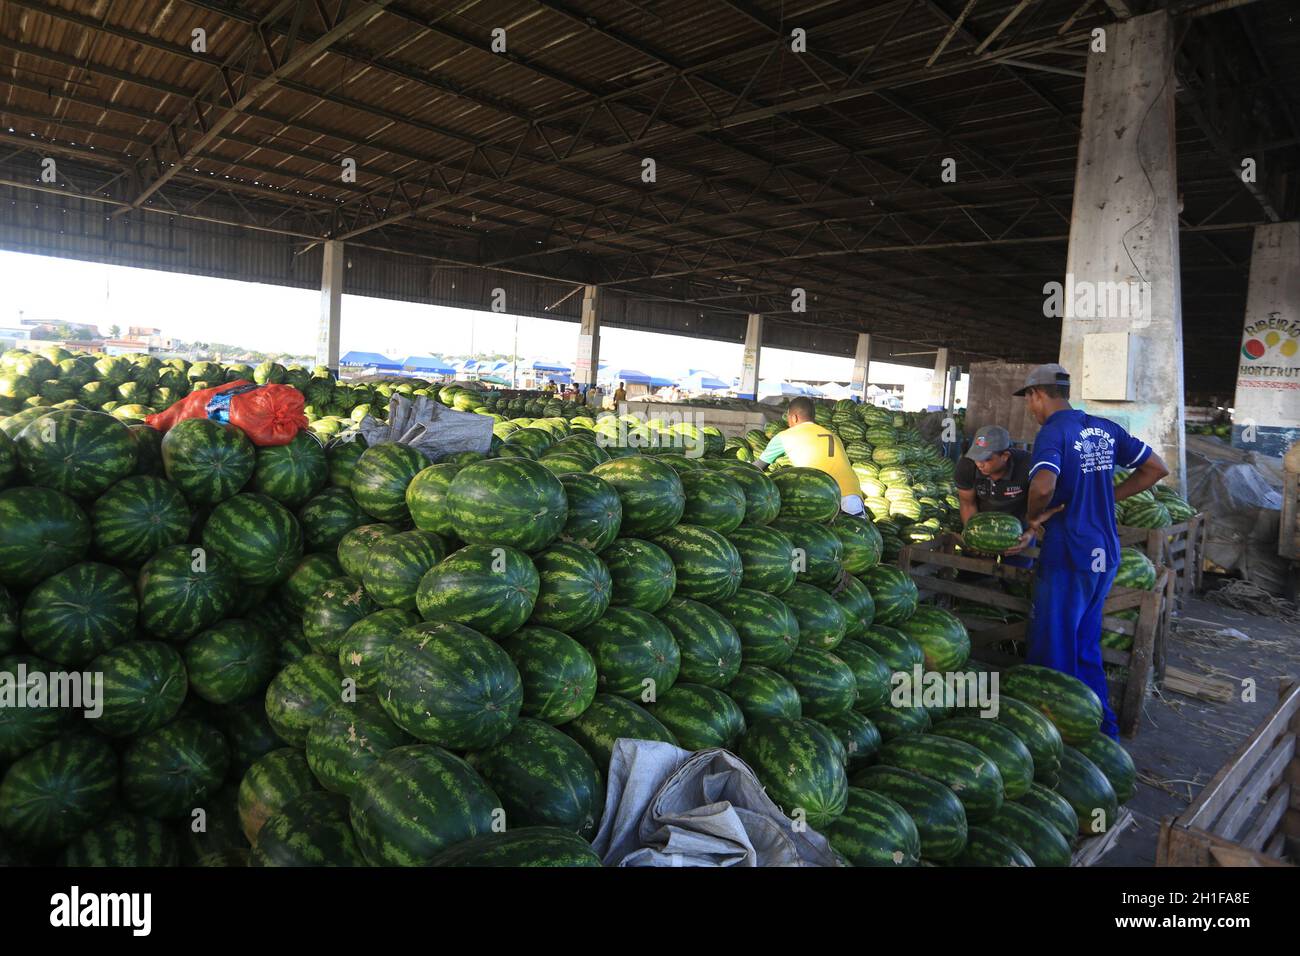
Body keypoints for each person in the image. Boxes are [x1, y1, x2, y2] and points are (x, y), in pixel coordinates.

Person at [1014, 364, 1169, 739]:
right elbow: (1156, 468)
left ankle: (1052, 737)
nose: (1031, 410)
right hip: (1105, 550)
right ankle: (1104, 732)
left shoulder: (1053, 432)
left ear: (1037, 394)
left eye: (1029, 401)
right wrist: (1103, 497)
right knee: (1084, 645)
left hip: (1071, 549)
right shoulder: (1105, 428)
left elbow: (1043, 486)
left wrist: (1033, 519)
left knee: (1052, 646)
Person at [755, 396, 865, 516]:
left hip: (823, 496)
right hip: (853, 496)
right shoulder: (833, 436)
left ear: (794, 417)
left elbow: (757, 467)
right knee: (855, 534)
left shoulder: (785, 436)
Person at [957, 425, 1032, 526]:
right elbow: (967, 504)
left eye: (986, 458)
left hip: (1018, 524)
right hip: (982, 522)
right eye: (976, 457)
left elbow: (1040, 500)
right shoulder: (966, 466)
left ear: (1005, 456)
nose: (979, 464)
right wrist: (972, 533)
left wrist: (1031, 530)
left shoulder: (1027, 466)